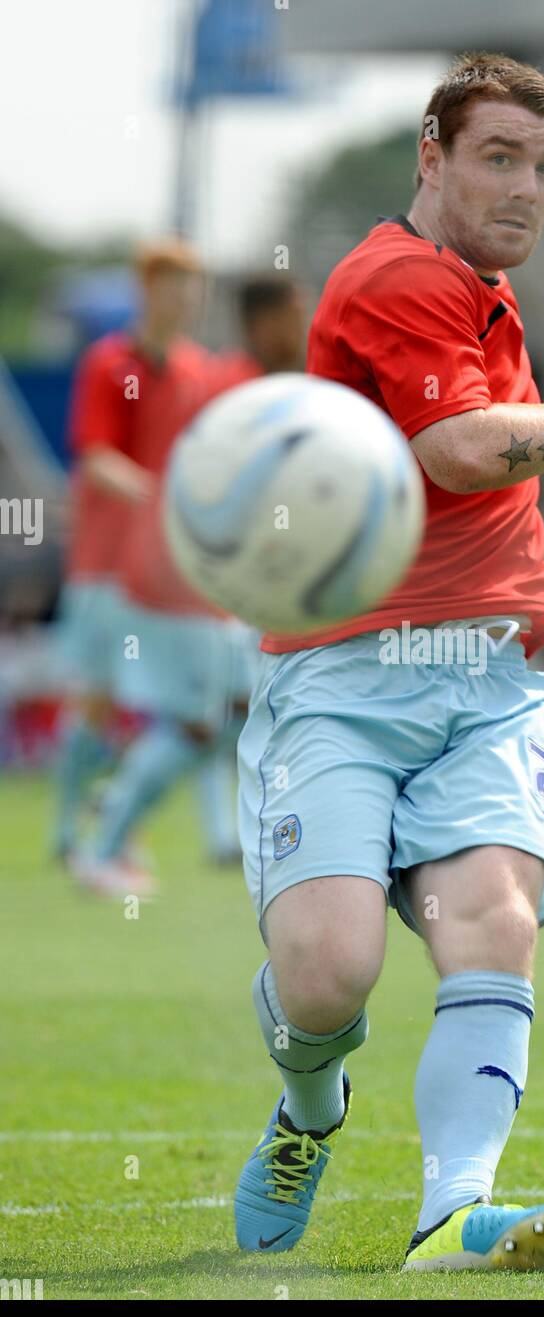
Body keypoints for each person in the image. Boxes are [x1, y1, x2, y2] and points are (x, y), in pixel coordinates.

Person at [233, 51, 544, 1272]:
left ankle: (452, 1214)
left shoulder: (478, 289)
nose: (527, 188)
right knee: (329, 977)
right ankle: (307, 1108)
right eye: (497, 158)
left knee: (490, 925)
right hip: (346, 673)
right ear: (429, 157)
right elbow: (464, 451)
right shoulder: (397, 276)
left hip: (485, 683)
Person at [73, 275, 306, 895]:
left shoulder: (260, 386)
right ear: (261, 323)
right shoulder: (231, 391)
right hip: (191, 581)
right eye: (293, 316)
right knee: (197, 724)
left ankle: (134, 824)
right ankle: (103, 849)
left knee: (229, 715)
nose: (303, 328)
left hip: (222, 585)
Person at [53, 239, 209, 876]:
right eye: (174, 284)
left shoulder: (202, 369)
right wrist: (161, 496)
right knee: (98, 699)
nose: (186, 297)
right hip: (105, 563)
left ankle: (115, 825)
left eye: (193, 285)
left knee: (178, 708)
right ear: (146, 289)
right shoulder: (109, 363)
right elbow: (95, 457)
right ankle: (68, 831)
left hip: (168, 573)